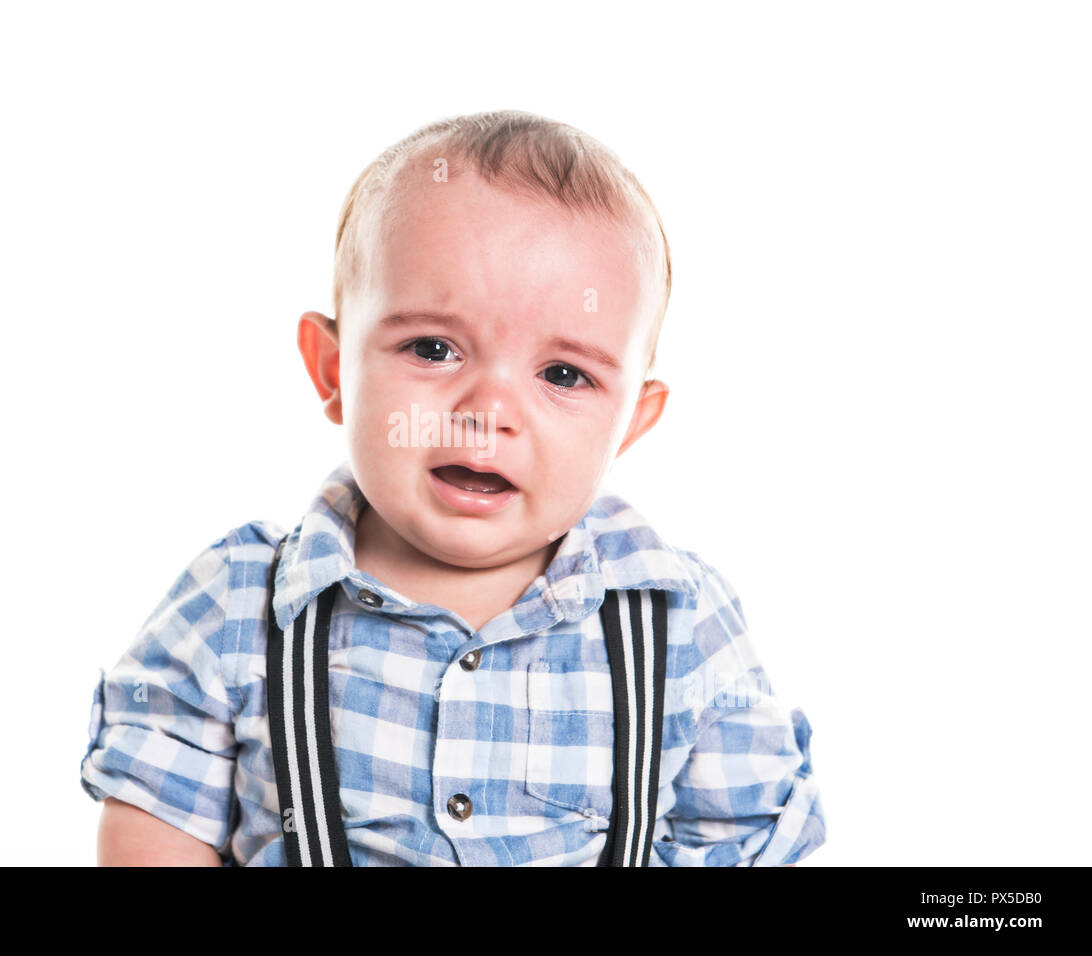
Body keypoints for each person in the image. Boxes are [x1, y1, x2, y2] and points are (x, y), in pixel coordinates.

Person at [79, 110, 826, 866]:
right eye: (433, 349)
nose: (489, 413)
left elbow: (747, 841)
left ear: (632, 422)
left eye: (563, 374)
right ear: (334, 371)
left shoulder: (679, 623)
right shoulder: (236, 604)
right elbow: (156, 822)